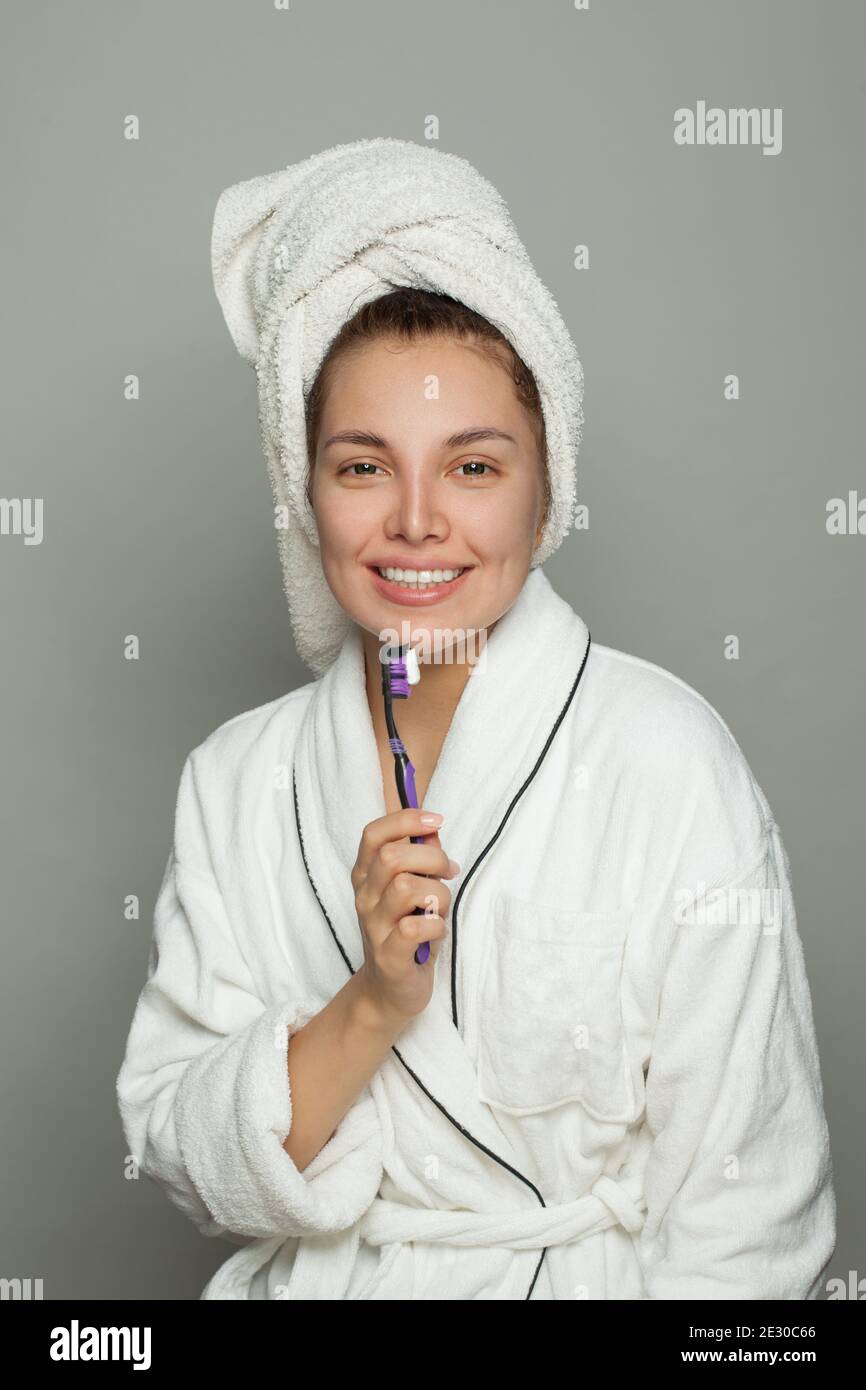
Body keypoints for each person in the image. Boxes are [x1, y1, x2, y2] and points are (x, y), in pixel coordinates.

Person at [116, 140, 836, 1300]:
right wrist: (371, 1004)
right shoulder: (238, 780)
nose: (413, 522)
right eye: (361, 467)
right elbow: (184, 1160)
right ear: (303, 492)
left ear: (547, 487)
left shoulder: (665, 760)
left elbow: (748, 1218)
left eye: (472, 467)